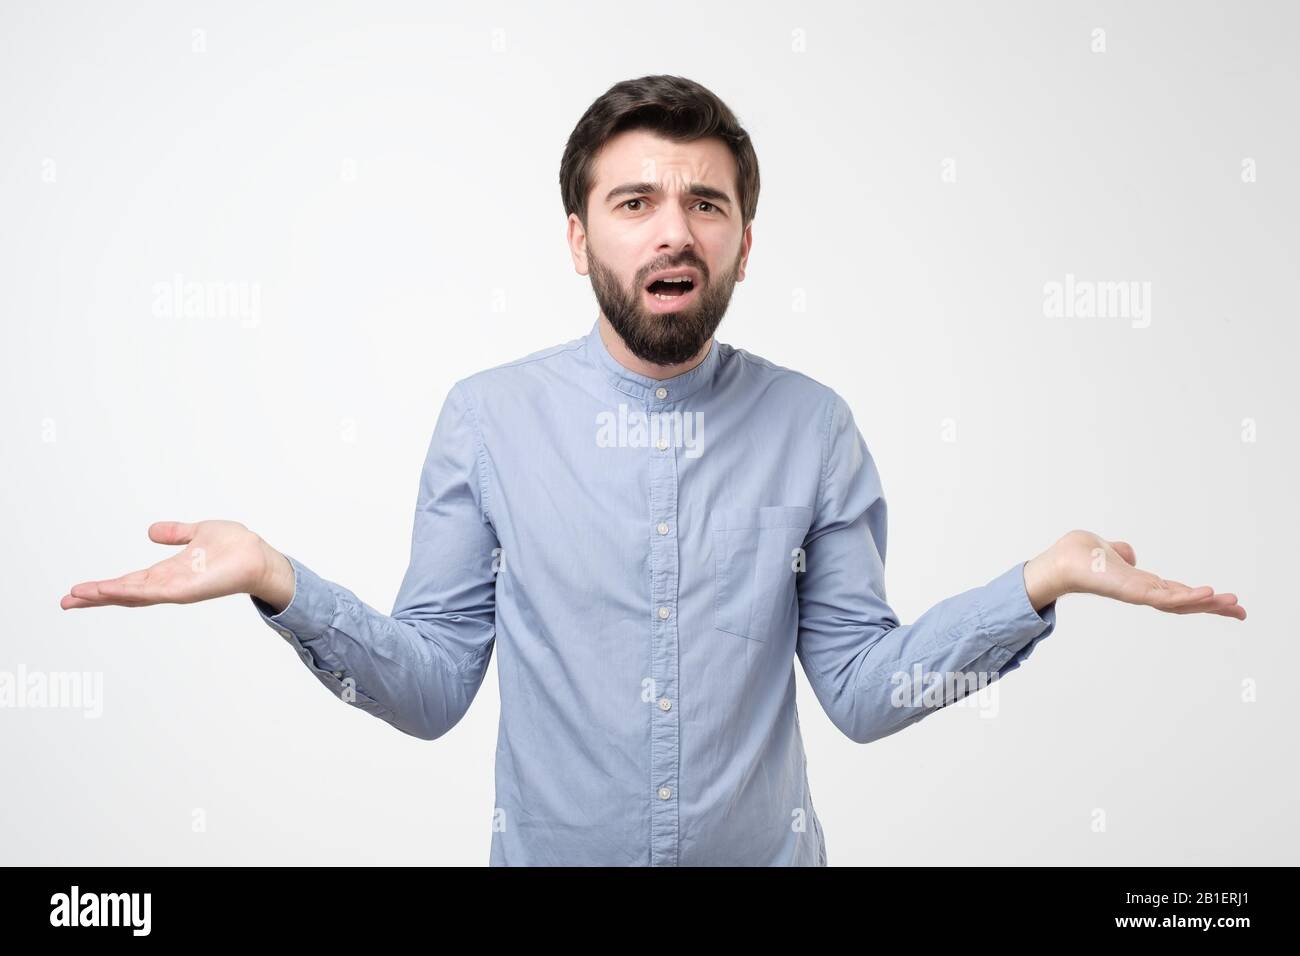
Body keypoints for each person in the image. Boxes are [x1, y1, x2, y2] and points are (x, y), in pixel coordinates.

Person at [60, 75, 1246, 866]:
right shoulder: (487, 419)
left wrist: (1034, 582)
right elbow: (428, 690)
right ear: (579, 238)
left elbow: (861, 688)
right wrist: (278, 579)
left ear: (740, 241)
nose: (672, 228)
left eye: (704, 203)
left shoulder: (813, 425)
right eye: (634, 201)